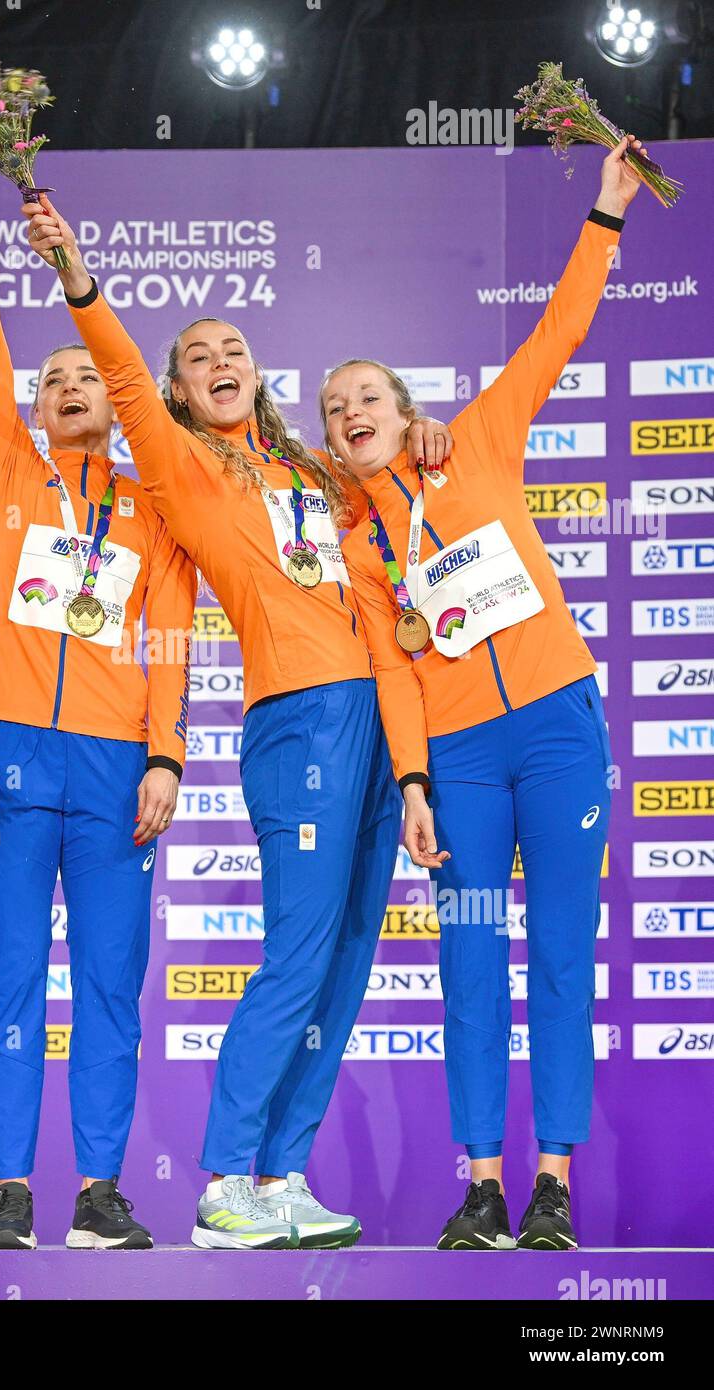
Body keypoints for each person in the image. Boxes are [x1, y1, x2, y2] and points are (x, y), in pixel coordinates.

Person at [22, 193, 453, 1249]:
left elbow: (389, 509)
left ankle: (280, 1174)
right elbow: (119, 371)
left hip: (374, 712)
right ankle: (222, 1180)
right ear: (178, 388)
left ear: (257, 375)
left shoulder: (307, 472)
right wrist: (75, 267)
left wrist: (421, 444)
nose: (222, 359)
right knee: (300, 951)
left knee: (351, 953)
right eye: (199, 354)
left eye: (237, 348)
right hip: (298, 721)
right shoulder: (185, 465)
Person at [329, 136, 647, 1251]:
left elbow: (559, 329)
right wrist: (412, 781)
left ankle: (552, 1181)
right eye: (332, 407)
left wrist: (604, 211)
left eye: (365, 393)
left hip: (559, 732)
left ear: (404, 406)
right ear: (331, 441)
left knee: (562, 953)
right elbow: (390, 668)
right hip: (459, 760)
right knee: (472, 956)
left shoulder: (478, 443)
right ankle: (479, 1185)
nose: (349, 410)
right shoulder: (359, 545)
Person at [0, 145, 197, 1251]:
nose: (72, 387)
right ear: (32, 411)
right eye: (54, 383)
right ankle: (7, 1189)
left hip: (115, 761)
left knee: (112, 989)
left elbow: (173, 636)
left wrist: (167, 751)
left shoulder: (154, 499)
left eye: (84, 377)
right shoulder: (13, 470)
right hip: (11, 755)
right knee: (6, 978)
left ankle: (97, 1191)